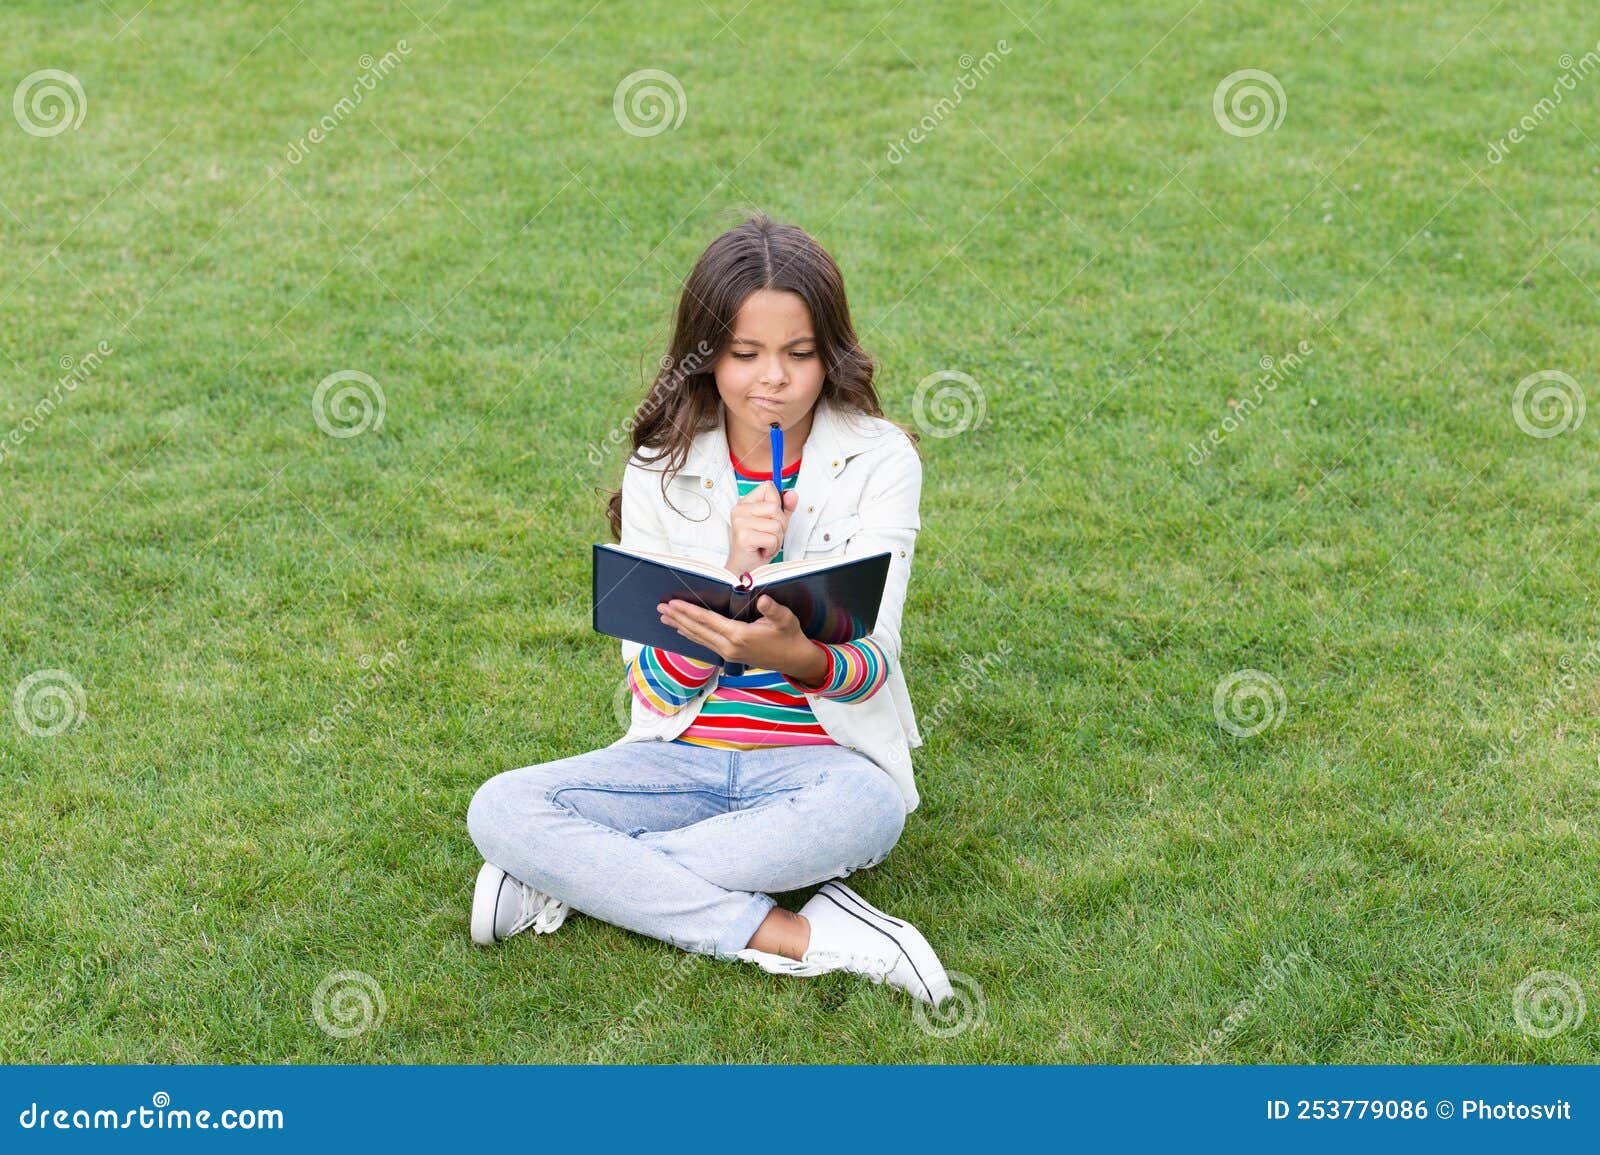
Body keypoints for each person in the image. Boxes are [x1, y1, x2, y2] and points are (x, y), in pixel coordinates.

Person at [465, 213, 951, 1006]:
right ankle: (802, 933)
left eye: (800, 354)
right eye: (745, 353)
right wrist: (730, 573)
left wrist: (793, 654)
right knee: (501, 807)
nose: (774, 379)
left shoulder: (880, 458)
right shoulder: (659, 467)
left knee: (869, 810)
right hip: (677, 757)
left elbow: (872, 664)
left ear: (831, 352)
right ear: (705, 353)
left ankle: (571, 877)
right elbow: (654, 689)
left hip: (820, 765)